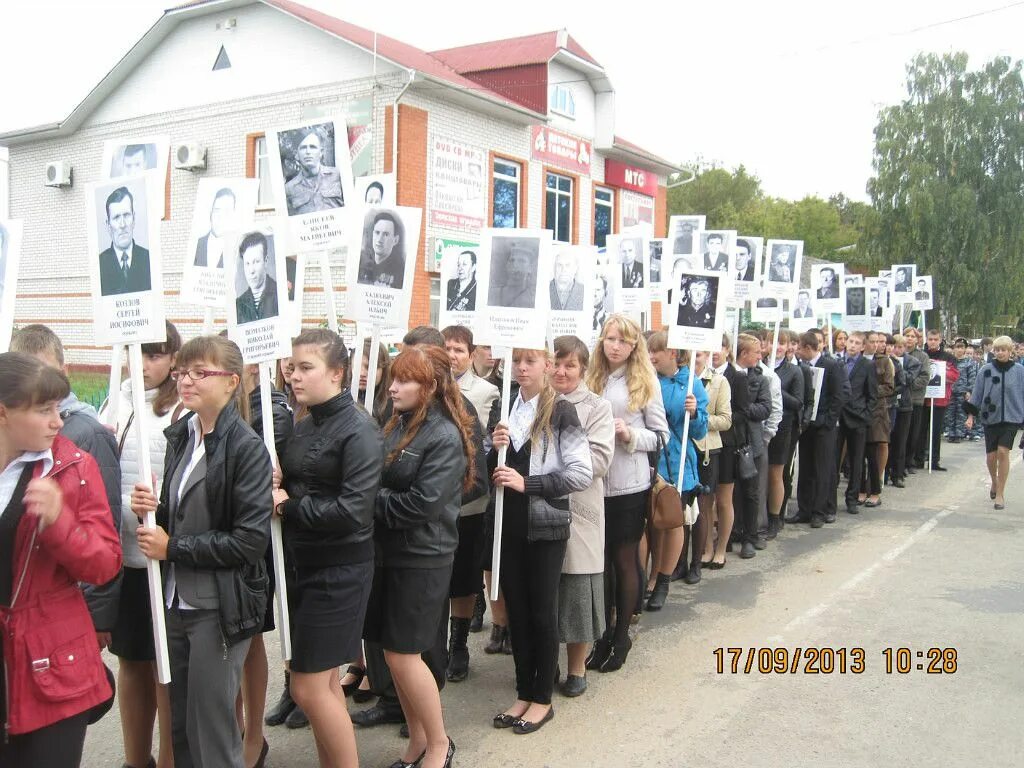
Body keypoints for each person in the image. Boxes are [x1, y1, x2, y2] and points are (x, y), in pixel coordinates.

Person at [129, 335, 272, 768]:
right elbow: (183, 513)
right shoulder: (185, 435)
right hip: (177, 599)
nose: (185, 381)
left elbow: (248, 541)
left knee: (212, 726)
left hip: (218, 606)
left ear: (231, 382)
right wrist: (152, 511)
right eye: (182, 372)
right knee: (182, 727)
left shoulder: (246, 447)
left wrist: (174, 546)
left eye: (199, 373)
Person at [0, 353, 122, 767]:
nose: (57, 421)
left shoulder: (73, 467)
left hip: (50, 660)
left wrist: (59, 524)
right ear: (3, 413)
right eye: (43, 410)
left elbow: (105, 563)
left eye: (57, 408)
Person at [269, 329, 380, 768]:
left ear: (337, 373)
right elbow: (302, 479)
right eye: (293, 367)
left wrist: (290, 505)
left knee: (308, 687)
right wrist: (280, 481)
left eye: (306, 368)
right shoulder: (305, 420)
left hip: (339, 570)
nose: (295, 376)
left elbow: (354, 510)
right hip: (303, 563)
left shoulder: (360, 430)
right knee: (323, 685)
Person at [364, 346, 472, 768]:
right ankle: (417, 742)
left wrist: (367, 499)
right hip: (389, 553)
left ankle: (440, 745)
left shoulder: (444, 436)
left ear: (432, 386)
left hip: (423, 557)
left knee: (405, 657)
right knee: (394, 656)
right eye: (394, 377)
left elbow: (419, 506)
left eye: (405, 379)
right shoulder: (397, 423)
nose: (393, 386)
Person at [490, 346, 593, 733]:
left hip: (545, 525)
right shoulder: (505, 405)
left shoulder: (561, 410)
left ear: (547, 366)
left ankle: (543, 700)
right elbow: (495, 471)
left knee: (541, 611)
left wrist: (528, 483)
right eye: (516, 360)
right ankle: (523, 692)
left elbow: (580, 473)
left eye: (530, 361)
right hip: (507, 524)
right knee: (516, 610)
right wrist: (493, 447)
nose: (521, 367)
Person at [97, 322, 184, 768]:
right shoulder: (116, 399)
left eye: (155, 355)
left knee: (163, 667)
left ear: (172, 358)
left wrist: (160, 507)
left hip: (163, 556)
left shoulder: (180, 410)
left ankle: (169, 759)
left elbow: (190, 487)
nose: (146, 364)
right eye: (139, 353)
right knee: (130, 662)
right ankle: (137, 759)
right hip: (124, 559)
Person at [585, 315, 668, 672]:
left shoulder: (644, 380)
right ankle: (602, 634)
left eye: (623, 340)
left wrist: (629, 434)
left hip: (628, 482)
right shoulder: (592, 376)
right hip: (592, 482)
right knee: (598, 563)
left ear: (634, 346)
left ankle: (621, 635)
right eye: (610, 338)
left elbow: (661, 435)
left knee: (623, 558)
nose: (615, 345)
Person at [548, 335, 614, 698]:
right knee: (544, 589)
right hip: (537, 506)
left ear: (583, 369)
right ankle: (546, 663)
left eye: (569, 364)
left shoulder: (597, 407)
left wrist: (558, 456)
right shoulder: (536, 401)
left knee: (576, 591)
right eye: (555, 363)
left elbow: (601, 460)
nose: (561, 371)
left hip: (579, 509)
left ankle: (577, 668)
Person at [238, 358, 294, 768]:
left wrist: (272, 477)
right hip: (218, 541)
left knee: (253, 630)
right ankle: (235, 726)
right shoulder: (196, 414)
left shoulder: (272, 412)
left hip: (255, 537)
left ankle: (253, 735)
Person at [441, 326, 498, 682]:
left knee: (463, 577)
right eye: (446, 348)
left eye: (459, 349)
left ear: (471, 353)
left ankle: (458, 643)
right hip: (434, 501)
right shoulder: (429, 387)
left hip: (469, 500)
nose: (452, 355)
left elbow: (487, 445)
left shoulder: (486, 391)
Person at [647, 334, 708, 603]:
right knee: (650, 526)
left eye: (656, 351)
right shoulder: (646, 381)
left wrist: (695, 413)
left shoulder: (692, 383)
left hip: (677, 465)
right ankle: (649, 576)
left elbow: (700, 430)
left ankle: (662, 581)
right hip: (648, 463)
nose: (651, 356)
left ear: (672, 352)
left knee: (672, 522)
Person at [790, 331, 849, 527]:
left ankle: (820, 510)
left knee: (822, 468)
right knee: (806, 467)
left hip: (824, 425)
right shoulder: (801, 366)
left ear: (808, 348)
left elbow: (838, 395)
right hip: (807, 425)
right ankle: (804, 508)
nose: (797, 351)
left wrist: (828, 421)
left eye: (799, 348)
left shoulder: (831, 365)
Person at [965, 336, 1024, 510]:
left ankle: (1000, 494)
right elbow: (977, 393)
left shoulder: (1020, 371)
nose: (1000, 353)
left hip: (1012, 417)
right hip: (990, 417)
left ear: (1010, 351)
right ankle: (994, 481)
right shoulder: (986, 370)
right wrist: (970, 416)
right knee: (991, 457)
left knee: (1003, 452)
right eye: (997, 350)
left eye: (1003, 350)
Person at [732, 334, 773, 557]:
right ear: (744, 353)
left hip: (752, 442)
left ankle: (751, 535)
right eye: (756, 352)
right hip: (731, 440)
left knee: (751, 491)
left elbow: (765, 408)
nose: (760, 356)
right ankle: (733, 531)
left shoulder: (761, 379)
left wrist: (744, 408)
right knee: (730, 491)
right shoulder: (727, 375)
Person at [693, 346, 732, 574]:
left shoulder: (718, 381)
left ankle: (713, 548)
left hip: (708, 449)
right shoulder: (681, 379)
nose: (694, 359)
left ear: (706, 355)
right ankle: (699, 548)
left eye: (698, 355)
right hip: (685, 448)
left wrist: (698, 419)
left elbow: (725, 420)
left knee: (707, 503)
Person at [832, 332, 876, 518]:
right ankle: (830, 499)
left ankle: (852, 498)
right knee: (833, 460)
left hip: (858, 418)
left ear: (862, 347)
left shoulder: (867, 365)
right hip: (838, 416)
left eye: (857, 343)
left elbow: (872, 394)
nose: (852, 345)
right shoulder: (837, 362)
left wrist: (865, 415)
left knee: (857, 460)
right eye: (850, 341)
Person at [767, 330, 803, 537]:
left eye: (781, 343)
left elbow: (797, 402)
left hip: (783, 427)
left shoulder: (793, 371)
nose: (777, 347)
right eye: (773, 342)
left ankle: (775, 516)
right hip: (761, 427)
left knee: (776, 474)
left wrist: (776, 388)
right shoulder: (760, 367)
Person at [99, 186, 152, 296]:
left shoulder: (149, 259)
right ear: (108, 225)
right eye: (116, 217)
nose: (122, 225)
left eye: (126, 215)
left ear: (134, 218)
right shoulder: (100, 264)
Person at [861, 332, 894, 507]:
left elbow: (889, 387)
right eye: (872, 341)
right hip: (857, 410)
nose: (875, 345)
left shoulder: (883, 361)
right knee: (858, 453)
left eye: (878, 342)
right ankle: (859, 489)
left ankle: (874, 489)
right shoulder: (856, 360)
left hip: (877, 412)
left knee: (874, 450)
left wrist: (869, 391)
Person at [284, 129, 344, 215]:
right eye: (303, 148)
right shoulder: (289, 189)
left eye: (312, 147)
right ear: (297, 154)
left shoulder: (338, 176)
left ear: (321, 152)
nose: (308, 152)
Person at [888, 334, 921, 488]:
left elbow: (908, 379)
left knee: (901, 441)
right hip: (889, 404)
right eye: (894, 346)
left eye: (900, 347)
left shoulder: (913, 362)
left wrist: (896, 367)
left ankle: (898, 474)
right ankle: (885, 472)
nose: (897, 350)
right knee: (887, 440)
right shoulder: (885, 360)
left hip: (904, 405)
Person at [923, 330, 959, 471]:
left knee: (936, 431)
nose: (932, 341)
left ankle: (934, 460)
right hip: (922, 398)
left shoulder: (948, 357)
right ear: (926, 339)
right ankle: (919, 459)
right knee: (920, 431)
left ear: (940, 340)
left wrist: (937, 368)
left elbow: (954, 376)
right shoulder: (922, 355)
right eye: (930, 339)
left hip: (939, 399)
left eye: (935, 339)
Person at [235, 231, 279, 323]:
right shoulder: (238, 304)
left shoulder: (280, 295)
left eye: (256, 262)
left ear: (265, 261)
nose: (251, 271)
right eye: (247, 263)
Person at [358, 211, 406, 289]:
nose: (380, 239)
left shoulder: (401, 272)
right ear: (373, 234)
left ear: (395, 240)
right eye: (377, 233)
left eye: (386, 234)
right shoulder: (362, 263)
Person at [194, 187, 236, 268]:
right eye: (217, 210)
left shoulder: (236, 249)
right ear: (211, 214)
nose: (221, 217)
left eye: (227, 212)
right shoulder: (197, 245)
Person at [945, 338, 977, 442]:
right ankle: (951, 433)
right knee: (950, 413)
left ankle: (959, 434)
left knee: (961, 413)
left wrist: (969, 391)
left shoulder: (969, 362)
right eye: (957, 347)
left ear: (965, 349)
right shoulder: (950, 361)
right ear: (954, 348)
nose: (959, 350)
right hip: (950, 390)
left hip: (962, 391)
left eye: (961, 347)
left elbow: (972, 377)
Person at [490, 242, 536, 308]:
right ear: (506, 266)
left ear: (530, 268)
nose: (515, 265)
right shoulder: (493, 294)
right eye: (512, 260)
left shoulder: (533, 298)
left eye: (521, 261)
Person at [357, 338, 393, 423]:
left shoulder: (395, 405)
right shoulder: (344, 402)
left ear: (384, 370)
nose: (361, 373)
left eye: (369, 367)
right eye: (357, 366)